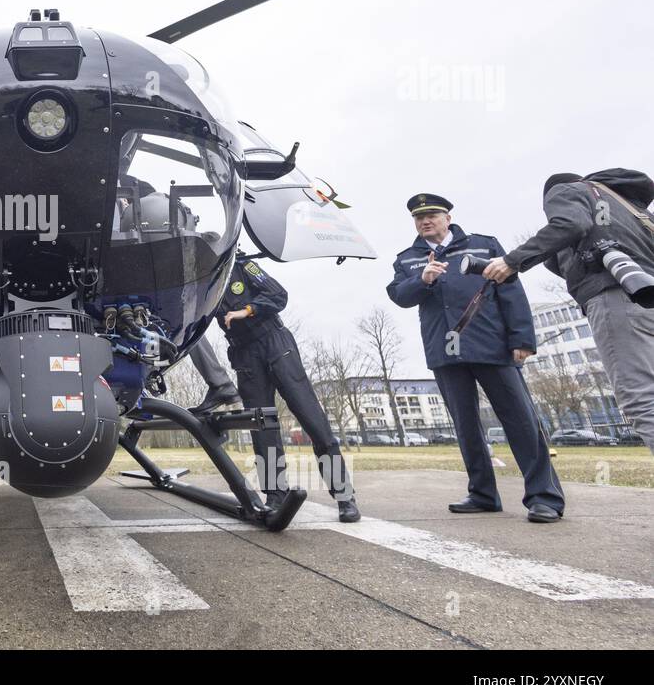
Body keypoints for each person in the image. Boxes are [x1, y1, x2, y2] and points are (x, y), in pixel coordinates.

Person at [387, 194, 565, 522]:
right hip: (443, 350)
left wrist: (522, 338)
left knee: (521, 420)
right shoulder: (408, 258)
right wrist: (422, 279)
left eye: (432, 215)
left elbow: (510, 290)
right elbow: (399, 295)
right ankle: (482, 493)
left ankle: (544, 496)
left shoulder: (484, 245)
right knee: (466, 426)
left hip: (492, 344)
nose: (425, 221)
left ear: (448, 217)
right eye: (419, 217)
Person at [481, 170, 654, 454]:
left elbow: (570, 224)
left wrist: (513, 261)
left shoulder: (567, 190)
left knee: (642, 399)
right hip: (645, 291)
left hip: (618, 298)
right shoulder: (630, 207)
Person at [219, 257, 360, 523]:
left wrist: (247, 310)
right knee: (262, 428)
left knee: (311, 416)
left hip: (275, 343)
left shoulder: (243, 267)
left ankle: (344, 495)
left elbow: (277, 294)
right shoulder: (204, 286)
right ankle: (275, 496)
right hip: (244, 354)